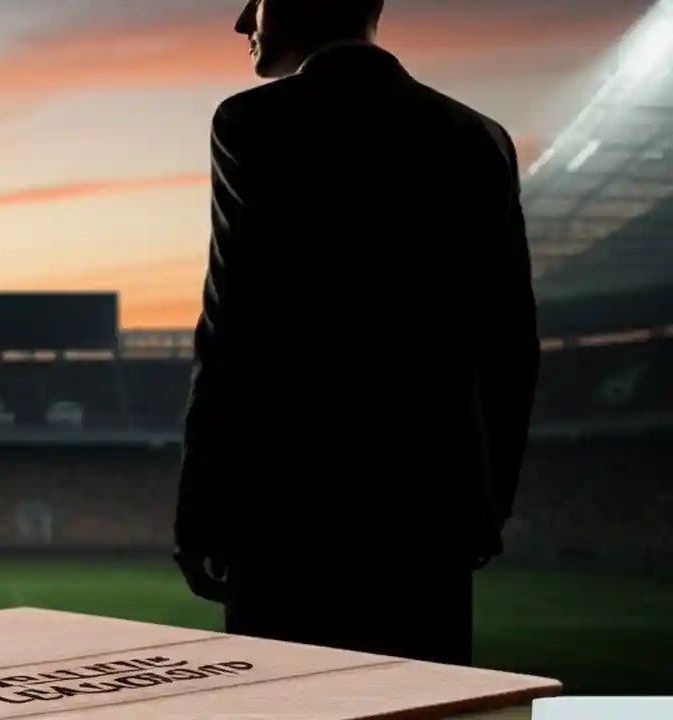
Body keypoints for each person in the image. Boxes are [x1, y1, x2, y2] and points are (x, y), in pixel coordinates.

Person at [173, 0, 540, 667]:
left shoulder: (254, 121)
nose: (240, 22)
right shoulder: (480, 135)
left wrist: (201, 509)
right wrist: (486, 502)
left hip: (289, 512)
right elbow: (510, 340)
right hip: (430, 514)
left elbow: (235, 326)